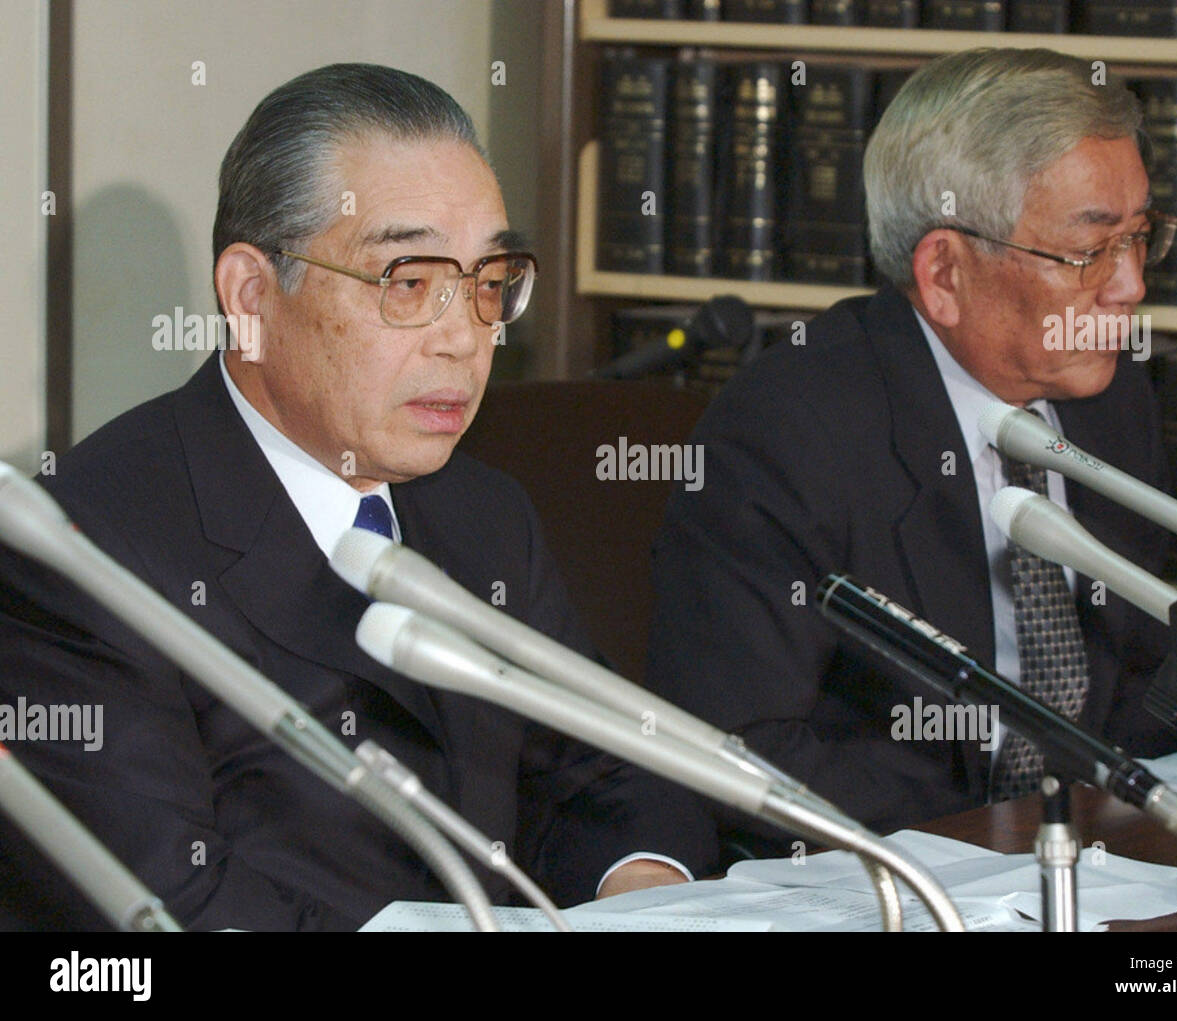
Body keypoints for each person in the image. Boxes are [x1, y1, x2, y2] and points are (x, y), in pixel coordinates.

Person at [0, 63, 714, 931]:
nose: (464, 337)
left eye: (489, 283)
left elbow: (601, 767)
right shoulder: (86, 552)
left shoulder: (482, 512)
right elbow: (168, 905)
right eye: (409, 283)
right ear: (252, 296)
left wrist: (636, 886)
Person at [646, 48, 1177, 851]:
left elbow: (1150, 675)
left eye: (1140, 236)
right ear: (944, 272)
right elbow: (744, 754)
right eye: (1090, 251)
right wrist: (1010, 812)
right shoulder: (786, 432)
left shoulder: (1111, 399)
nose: (1130, 285)